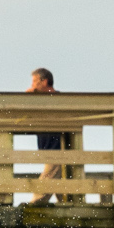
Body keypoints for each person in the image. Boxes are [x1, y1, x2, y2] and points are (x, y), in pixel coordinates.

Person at [26, 67, 71, 207]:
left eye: (34, 82)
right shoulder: (39, 102)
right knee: (62, 190)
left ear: (44, 82)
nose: (32, 85)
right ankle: (67, 209)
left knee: (46, 183)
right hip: (48, 150)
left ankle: (31, 209)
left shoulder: (58, 99)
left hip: (58, 150)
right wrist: (28, 99)